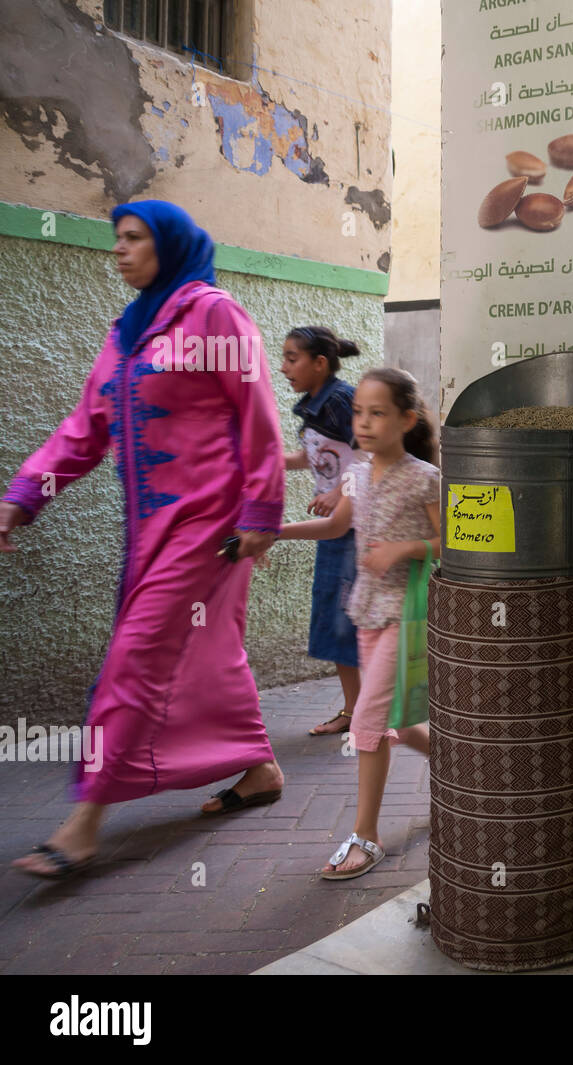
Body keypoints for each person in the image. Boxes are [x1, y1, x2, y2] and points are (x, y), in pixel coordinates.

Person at [1, 200, 286, 880]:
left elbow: (259, 416)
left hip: (212, 522)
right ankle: (260, 767)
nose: (120, 250)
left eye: (134, 239)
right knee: (208, 650)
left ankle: (85, 821)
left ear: (171, 244)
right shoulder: (128, 333)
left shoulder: (214, 313)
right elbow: (83, 431)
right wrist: (21, 498)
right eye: (116, 239)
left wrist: (260, 514)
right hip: (150, 528)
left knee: (136, 652)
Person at [273, 368, 440, 879]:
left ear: (406, 419)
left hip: (407, 615)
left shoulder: (424, 478)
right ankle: (463, 767)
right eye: (359, 412)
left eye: (377, 413)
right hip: (366, 612)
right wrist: (271, 531)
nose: (363, 422)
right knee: (394, 722)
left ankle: (364, 836)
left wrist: (406, 548)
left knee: (367, 719)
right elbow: (334, 525)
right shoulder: (356, 473)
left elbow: (454, 542)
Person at [280, 326, 363, 736]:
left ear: (320, 363)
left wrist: (341, 492)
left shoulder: (343, 401)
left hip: (357, 529)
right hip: (334, 532)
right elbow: (311, 457)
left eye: (292, 358)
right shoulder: (315, 405)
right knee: (337, 620)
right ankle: (355, 711)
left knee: (351, 620)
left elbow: (370, 455)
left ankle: (369, 712)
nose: (284, 368)